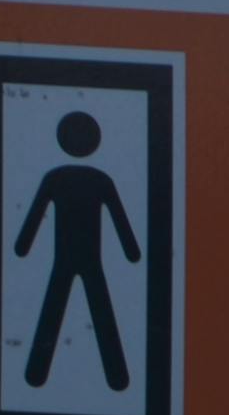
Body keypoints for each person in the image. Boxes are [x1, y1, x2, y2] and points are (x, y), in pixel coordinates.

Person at [10, 107, 144, 393]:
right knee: (98, 308)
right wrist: (131, 251)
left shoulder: (56, 178)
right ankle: (116, 378)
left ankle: (37, 374)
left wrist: (23, 246)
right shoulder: (99, 179)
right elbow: (119, 219)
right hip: (87, 258)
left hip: (68, 258)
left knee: (57, 306)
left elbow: (35, 215)